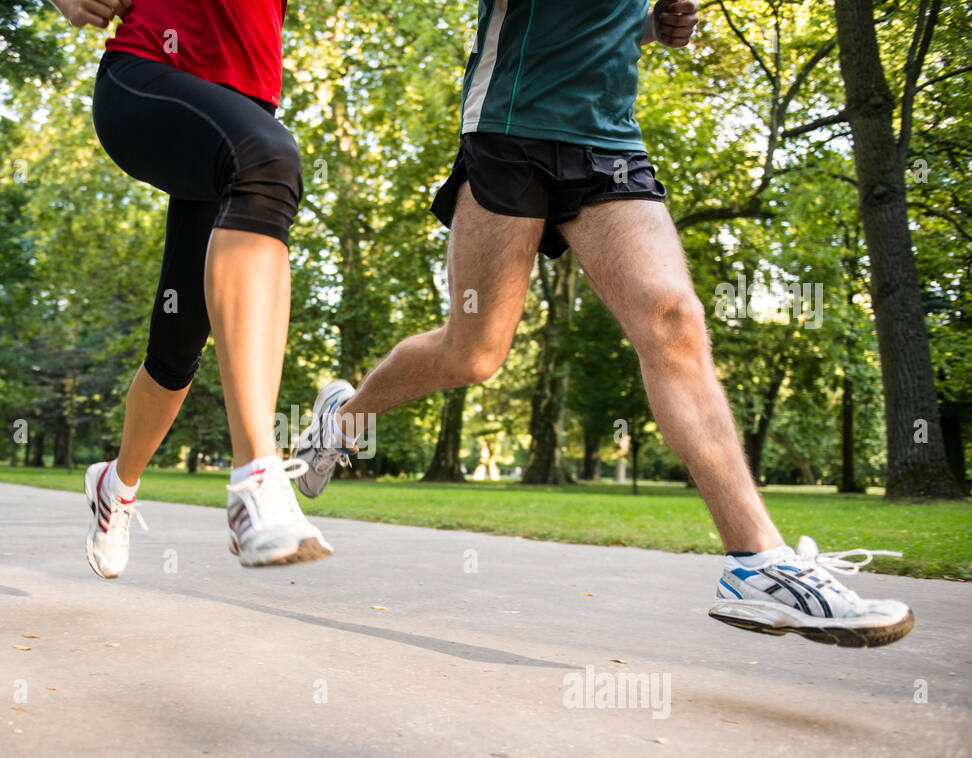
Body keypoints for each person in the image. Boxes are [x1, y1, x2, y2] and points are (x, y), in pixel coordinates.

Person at [292, 0, 913, 648]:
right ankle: (342, 418)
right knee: (473, 354)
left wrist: (648, 24)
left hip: (608, 140)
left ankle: (759, 563)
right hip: (512, 126)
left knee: (674, 320)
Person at [50, 0, 330, 578]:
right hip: (149, 72)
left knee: (179, 344)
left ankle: (115, 485)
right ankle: (256, 479)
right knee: (269, 158)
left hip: (237, 104)